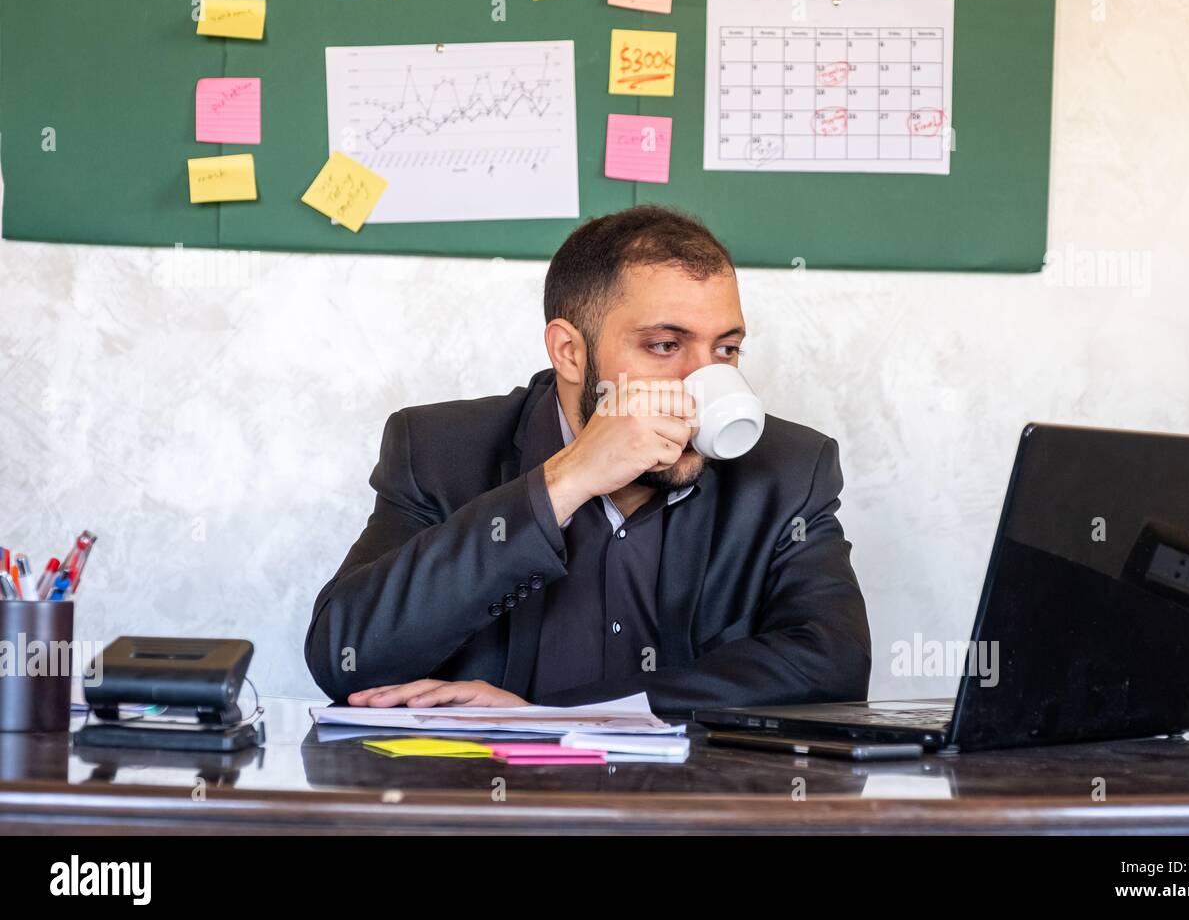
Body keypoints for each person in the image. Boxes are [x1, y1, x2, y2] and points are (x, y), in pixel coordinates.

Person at [305, 205, 870, 715]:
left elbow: (833, 668)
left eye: (725, 348)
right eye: (665, 346)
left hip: (689, 817)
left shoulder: (789, 470)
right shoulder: (440, 450)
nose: (703, 381)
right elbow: (346, 658)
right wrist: (565, 481)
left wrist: (549, 717)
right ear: (569, 352)